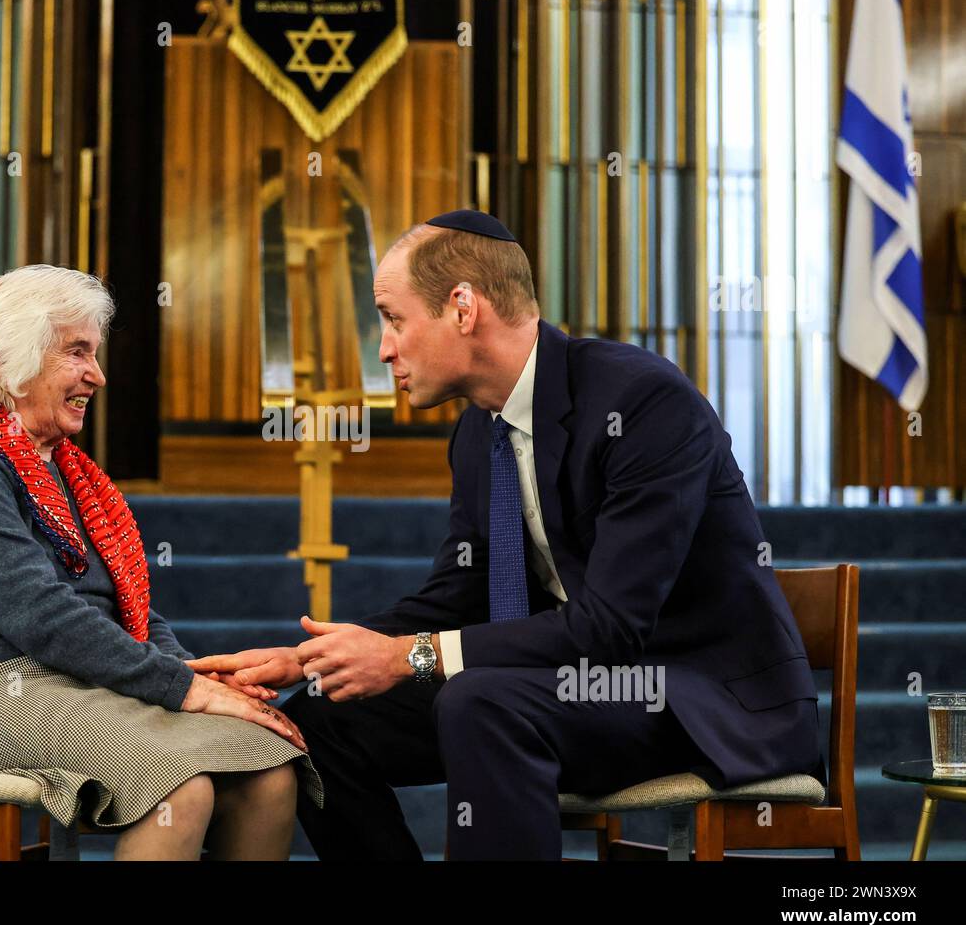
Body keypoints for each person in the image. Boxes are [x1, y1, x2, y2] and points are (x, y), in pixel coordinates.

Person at [189, 210, 825, 860]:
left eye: (394, 317)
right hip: (565, 690)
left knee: (481, 700)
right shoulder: (477, 433)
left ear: (462, 308)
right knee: (321, 720)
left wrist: (410, 657)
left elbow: (612, 626)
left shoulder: (641, 401)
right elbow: (454, 599)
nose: (383, 349)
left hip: (694, 698)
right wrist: (309, 660)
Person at [0, 264, 320, 860]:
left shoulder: (71, 475)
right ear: (11, 360)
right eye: (77, 352)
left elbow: (124, 612)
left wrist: (195, 672)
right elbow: (43, 616)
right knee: (176, 789)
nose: (98, 375)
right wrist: (180, 688)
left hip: (64, 684)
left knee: (266, 773)